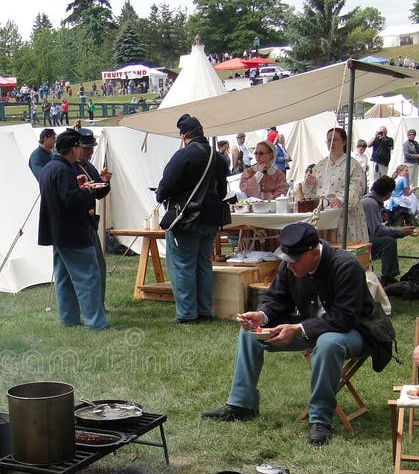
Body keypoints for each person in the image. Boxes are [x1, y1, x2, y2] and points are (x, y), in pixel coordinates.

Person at [201, 222, 376, 445]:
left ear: (314, 253)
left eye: (294, 261)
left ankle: (320, 420)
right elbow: (276, 300)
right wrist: (261, 316)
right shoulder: (290, 264)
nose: (289, 266)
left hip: (353, 330)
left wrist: (298, 329)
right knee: (250, 334)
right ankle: (241, 405)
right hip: (312, 326)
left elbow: (344, 318)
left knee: (328, 343)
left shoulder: (345, 265)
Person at [156, 114, 228, 324]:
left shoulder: (184, 155)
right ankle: (204, 310)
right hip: (211, 218)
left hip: (187, 218)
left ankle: (187, 314)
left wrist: (160, 194)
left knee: (183, 265)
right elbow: (222, 191)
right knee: (203, 264)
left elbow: (165, 186)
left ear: (184, 135)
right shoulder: (218, 157)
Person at [38, 129, 107, 329]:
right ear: (73, 148)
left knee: (64, 278)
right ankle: (95, 322)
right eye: (79, 146)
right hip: (72, 232)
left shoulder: (50, 168)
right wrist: (86, 191)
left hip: (57, 232)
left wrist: (77, 188)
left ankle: (69, 319)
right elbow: (71, 200)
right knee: (88, 277)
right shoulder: (64, 170)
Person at [302, 127, 367, 244]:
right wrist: (309, 183)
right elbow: (310, 190)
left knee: (345, 246)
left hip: (344, 214)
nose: (331, 143)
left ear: (344, 142)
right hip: (324, 214)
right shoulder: (321, 165)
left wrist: (341, 198)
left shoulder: (352, 165)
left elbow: (357, 187)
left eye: (335, 139)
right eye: (328, 140)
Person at [74, 128, 112, 305]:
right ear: (77, 147)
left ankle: (98, 305)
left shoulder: (88, 166)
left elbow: (98, 193)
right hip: (76, 223)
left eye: (91, 148)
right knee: (88, 268)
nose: (90, 152)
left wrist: (104, 182)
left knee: (98, 265)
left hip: (89, 223)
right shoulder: (69, 167)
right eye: (86, 148)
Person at [361, 175, 417, 287]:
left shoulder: (371, 202)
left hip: (364, 236)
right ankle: (388, 278)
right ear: (388, 192)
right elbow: (376, 230)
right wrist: (400, 232)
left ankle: (388, 277)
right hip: (361, 240)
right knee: (388, 242)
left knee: (388, 240)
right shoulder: (370, 203)